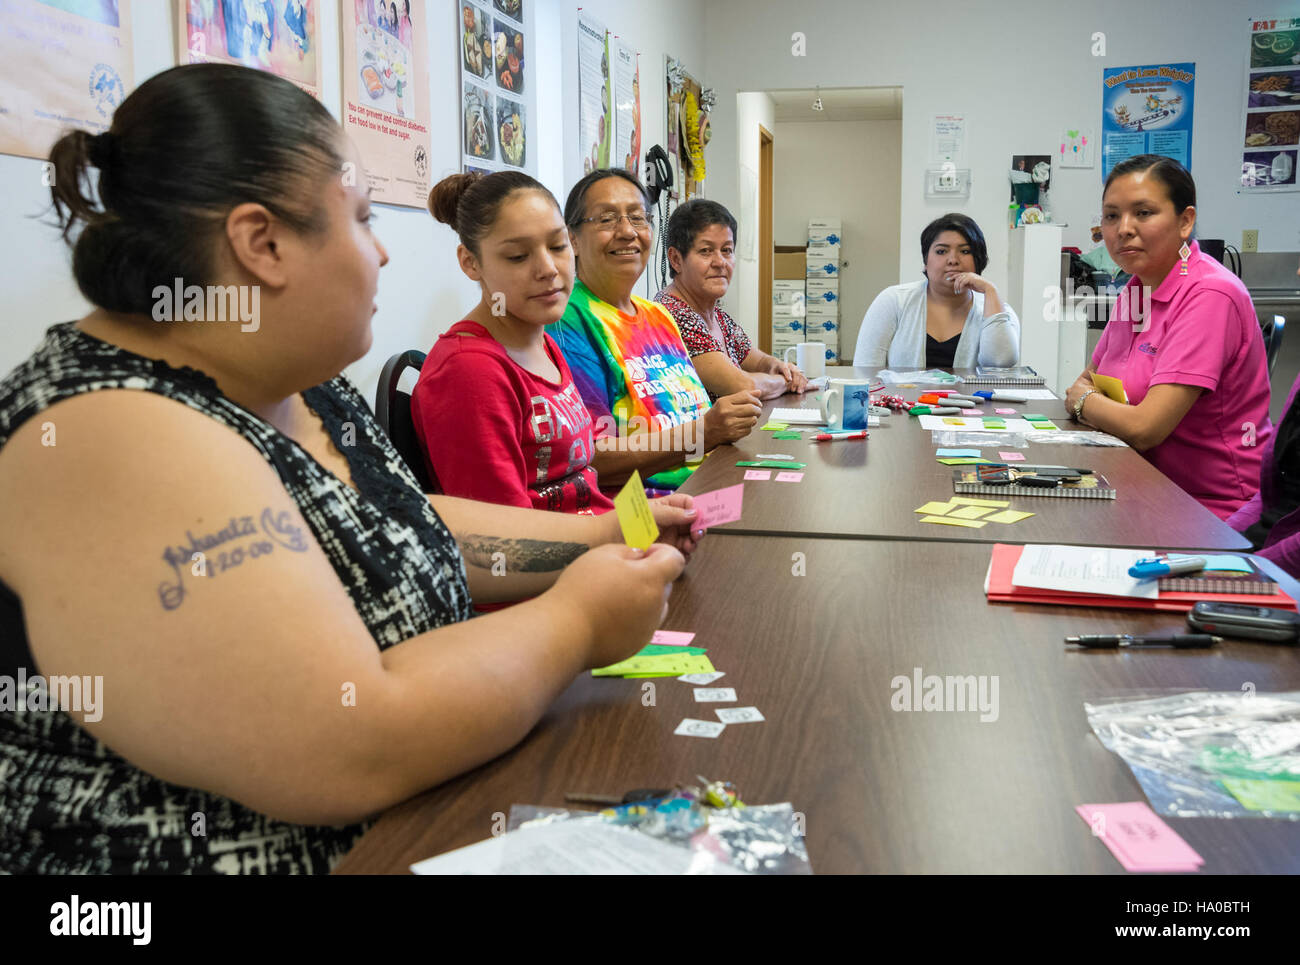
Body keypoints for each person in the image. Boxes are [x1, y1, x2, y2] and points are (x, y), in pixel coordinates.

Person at [0, 64, 701, 874]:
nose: (382, 251)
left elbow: (405, 523)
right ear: (261, 243)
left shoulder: (292, 374)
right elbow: (346, 742)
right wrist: (578, 621)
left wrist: (598, 534)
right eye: (362, 219)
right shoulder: (113, 431)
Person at [1064, 155, 1271, 521]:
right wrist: (1092, 401)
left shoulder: (1210, 295)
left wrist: (1086, 404)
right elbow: (1086, 381)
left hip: (1209, 510)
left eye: (1143, 213)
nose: (1123, 228)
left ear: (1185, 221)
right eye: (1111, 216)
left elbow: (1144, 428)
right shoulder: (1135, 288)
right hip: (1136, 484)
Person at [413, 170, 614, 517]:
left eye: (557, 246)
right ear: (470, 262)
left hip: (606, 541)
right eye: (518, 256)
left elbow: (585, 483)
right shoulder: (469, 371)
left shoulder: (543, 341)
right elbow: (506, 538)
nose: (548, 268)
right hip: (562, 566)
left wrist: (647, 526)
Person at [546, 169, 761, 491]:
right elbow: (589, 458)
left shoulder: (657, 315)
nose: (627, 232)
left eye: (638, 218)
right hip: (647, 513)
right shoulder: (568, 321)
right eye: (606, 219)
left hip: (712, 485)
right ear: (572, 239)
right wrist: (705, 432)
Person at [654, 199, 808, 401]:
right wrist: (787, 381)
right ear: (675, 259)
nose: (720, 262)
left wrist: (778, 367)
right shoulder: (672, 314)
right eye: (706, 251)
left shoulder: (715, 313)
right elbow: (742, 385)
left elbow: (757, 359)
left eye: (726, 250)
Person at [853, 213, 1019, 369]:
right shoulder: (894, 301)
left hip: (972, 400)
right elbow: (864, 370)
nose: (953, 260)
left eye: (965, 251)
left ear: (979, 259)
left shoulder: (998, 310)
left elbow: (1000, 363)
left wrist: (990, 290)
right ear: (926, 261)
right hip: (902, 400)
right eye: (941, 251)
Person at [1229, 256, 1300, 571]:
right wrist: (1213, 545)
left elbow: (1145, 429)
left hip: (1277, 570)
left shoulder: (1216, 294)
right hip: (1261, 548)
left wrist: (1243, 571)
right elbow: (1274, 494)